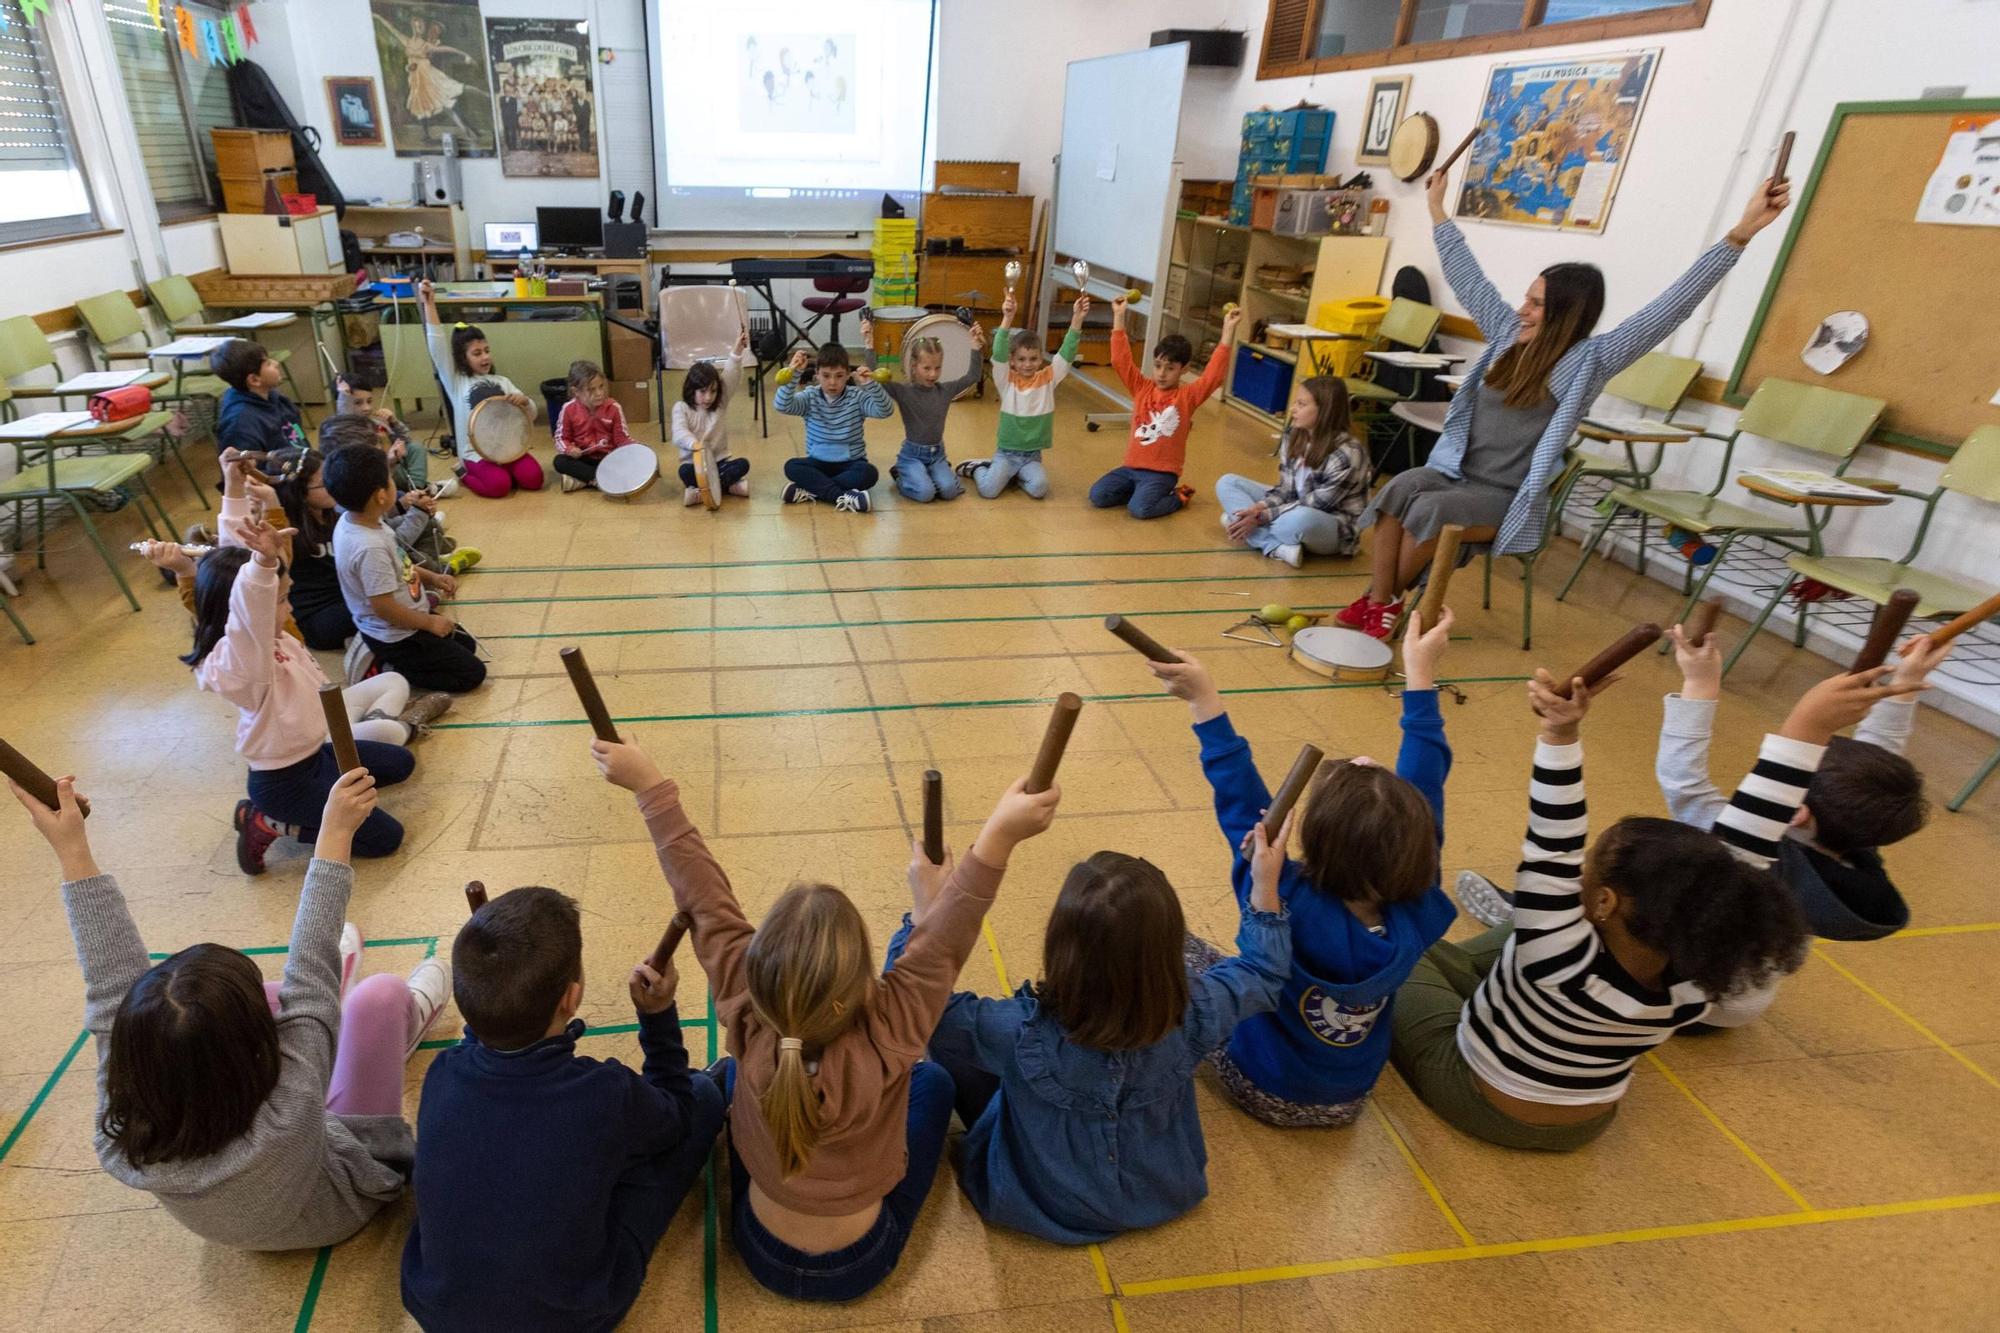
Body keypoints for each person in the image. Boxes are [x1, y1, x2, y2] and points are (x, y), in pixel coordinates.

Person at [593, 736, 1060, 1302]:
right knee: (931, 1079)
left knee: (740, 1076)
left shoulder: (742, 1006)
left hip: (754, 1244)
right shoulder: (893, 1029)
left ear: (756, 976)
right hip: (862, 1263)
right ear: (865, 985)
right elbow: (942, 946)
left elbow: (704, 896)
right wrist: (942, 891)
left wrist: (651, 787)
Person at [1389, 665, 1922, 1151]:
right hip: (1586, 1122)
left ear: (1603, 901)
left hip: (1482, 1102)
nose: (1577, 865)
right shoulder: (1713, 961)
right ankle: (1482, 982)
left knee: (1394, 950)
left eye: (1590, 865)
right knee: (1519, 941)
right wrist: (1807, 727)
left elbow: (1553, 837)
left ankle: (1453, 983)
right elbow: (1743, 850)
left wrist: (1560, 733)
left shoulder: (1554, 952)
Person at [1340, 169, 1793, 640]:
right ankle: (1381, 601)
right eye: (1527, 298)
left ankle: (1383, 606)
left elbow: (1670, 308)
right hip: (1455, 473)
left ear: (1565, 313)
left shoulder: (1587, 362)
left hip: (1504, 495)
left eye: (1536, 303)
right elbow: (1466, 275)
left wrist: (1740, 235)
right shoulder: (1506, 335)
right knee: (1401, 488)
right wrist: (1436, 208)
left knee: (1430, 510)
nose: (1523, 308)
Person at [12, 768, 449, 1249]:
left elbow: (109, 985)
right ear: (257, 1050)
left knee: (263, 1002)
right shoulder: (291, 1102)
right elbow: (311, 970)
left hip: (251, 1208)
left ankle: (331, 1024)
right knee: (380, 997)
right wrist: (336, 829)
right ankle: (374, 1026)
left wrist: (71, 848)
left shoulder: (119, 1126)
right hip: (337, 1206)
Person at [912, 825, 1289, 1243]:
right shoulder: (1198, 1008)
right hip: (1162, 1194)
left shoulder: (1020, 1031)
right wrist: (1264, 881)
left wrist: (928, 913)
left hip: (1039, 1205)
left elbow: (918, 1009)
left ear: (1061, 947)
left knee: (952, 1050)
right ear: (1168, 949)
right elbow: (1264, 971)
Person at [1155, 611, 1454, 1128]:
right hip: (1348, 1097)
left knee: (1163, 943)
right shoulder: (1420, 898)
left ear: (1313, 843)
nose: (1363, 758)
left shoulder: (1282, 893)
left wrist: (1204, 701)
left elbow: (1240, 798)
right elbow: (1426, 779)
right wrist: (1419, 674)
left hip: (1260, 1083)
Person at [400, 888, 725, 1331]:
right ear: (571, 998)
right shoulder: (605, 1092)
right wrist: (658, 1016)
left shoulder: (441, 1072)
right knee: (701, 1097)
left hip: (438, 1311)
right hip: (573, 1319)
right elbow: (675, 1118)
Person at [174, 473, 444, 873]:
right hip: (285, 781)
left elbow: (232, 558)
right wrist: (264, 565)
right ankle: (266, 821)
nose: (289, 604)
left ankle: (323, 802)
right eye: (281, 598)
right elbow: (248, 602)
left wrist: (233, 490)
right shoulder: (245, 660)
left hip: (316, 753)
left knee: (398, 764)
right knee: (385, 839)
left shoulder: (268, 636)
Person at [1644, 626, 1941, 942]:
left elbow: (1684, 782)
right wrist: (1906, 683)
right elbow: (1877, 757)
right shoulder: (1852, 845)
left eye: (1799, 765)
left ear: (1796, 812)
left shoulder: (1741, 846)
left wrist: (1698, 685)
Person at [325, 444, 486, 694]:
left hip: (405, 623)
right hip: (397, 637)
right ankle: (389, 669)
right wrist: (428, 623)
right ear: (380, 496)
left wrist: (433, 577)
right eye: (390, 479)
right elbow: (384, 608)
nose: (393, 483)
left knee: (467, 646)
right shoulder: (369, 547)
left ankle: (393, 657)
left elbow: (401, 564)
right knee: (473, 674)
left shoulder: (360, 519)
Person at [1088, 298, 1238, 519]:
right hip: (1131, 468)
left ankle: (1178, 496)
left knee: (1139, 510)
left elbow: (1213, 376)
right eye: (1158, 366)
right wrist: (1119, 317)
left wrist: (1228, 330)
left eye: (1170, 368)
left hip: (1161, 474)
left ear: (1184, 369)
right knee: (1097, 496)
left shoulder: (1187, 396)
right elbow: (1121, 361)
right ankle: (1139, 492)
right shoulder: (1141, 388)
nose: (1161, 373)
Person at [1215, 376, 1371, 567]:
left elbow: (1316, 505)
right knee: (1227, 482)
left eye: (1301, 404)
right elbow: (1286, 491)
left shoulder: (1348, 453)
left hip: (1333, 526)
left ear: (1325, 411)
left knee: (1292, 521)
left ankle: (1237, 524)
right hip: (1294, 505)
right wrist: (1259, 507)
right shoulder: (1294, 435)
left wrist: (1261, 516)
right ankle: (1276, 547)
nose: (1292, 409)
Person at [418, 279, 544, 499]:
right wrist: (429, 304)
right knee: (499, 487)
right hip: (475, 453)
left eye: (487, 350)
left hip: (509, 448)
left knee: (534, 480)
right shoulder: (456, 381)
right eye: (477, 353)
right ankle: (463, 473)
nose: (485, 357)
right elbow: (436, 345)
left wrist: (524, 401)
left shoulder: (502, 380)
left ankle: (501, 470)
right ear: (462, 358)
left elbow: (530, 414)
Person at [956, 294, 1087, 501]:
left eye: (1033, 359)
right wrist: (1008, 317)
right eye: (1022, 359)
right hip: (1006, 454)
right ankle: (980, 468)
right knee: (988, 491)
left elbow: (1066, 354)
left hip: (1032, 456)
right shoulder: (1006, 381)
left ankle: (1011, 476)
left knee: (1040, 488)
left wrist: (1077, 319)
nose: (1028, 364)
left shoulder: (1048, 378)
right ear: (1013, 361)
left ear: (1041, 358)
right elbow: (998, 353)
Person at [319, 415, 474, 579]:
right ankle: (440, 570)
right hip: (392, 561)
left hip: (389, 540)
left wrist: (404, 506)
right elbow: (396, 546)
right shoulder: (354, 516)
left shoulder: (354, 492)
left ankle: (435, 559)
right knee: (414, 555)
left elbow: (385, 524)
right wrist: (417, 512)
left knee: (426, 522)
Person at [858, 318, 986, 503]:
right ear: (914, 366)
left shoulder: (945, 390)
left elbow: (972, 376)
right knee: (926, 494)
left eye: (937, 368)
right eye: (926, 368)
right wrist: (869, 342)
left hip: (937, 455)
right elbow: (877, 376)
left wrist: (975, 347)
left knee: (949, 492)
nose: (933, 374)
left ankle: (929, 475)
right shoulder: (904, 391)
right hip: (912, 455)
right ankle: (901, 475)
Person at [774, 342, 893, 512]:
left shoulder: (857, 397)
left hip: (851, 463)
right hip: (817, 462)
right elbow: (782, 405)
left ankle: (812, 489)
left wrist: (870, 385)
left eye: (839, 376)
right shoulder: (810, 396)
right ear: (816, 374)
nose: (832, 382)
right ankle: (843, 497)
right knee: (792, 466)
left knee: (869, 473)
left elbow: (885, 411)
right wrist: (794, 373)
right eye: (826, 375)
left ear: (847, 375)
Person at [670, 333, 757, 506]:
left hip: (719, 463)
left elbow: (731, 375)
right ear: (691, 389)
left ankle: (700, 493)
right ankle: (728, 487)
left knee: (742, 465)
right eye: (702, 392)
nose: (708, 397)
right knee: (685, 472)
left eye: (713, 391)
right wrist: (695, 445)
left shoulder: (720, 404)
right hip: (694, 464)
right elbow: (679, 433)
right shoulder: (681, 408)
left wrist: (737, 350)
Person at [337, 368, 439, 492]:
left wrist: (394, 422)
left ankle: (417, 488)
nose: (366, 408)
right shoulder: (342, 429)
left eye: (369, 401)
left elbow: (406, 440)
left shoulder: (376, 421)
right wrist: (389, 460)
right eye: (358, 403)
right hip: (376, 475)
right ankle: (421, 491)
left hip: (394, 467)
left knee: (416, 448)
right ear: (343, 403)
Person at [553, 358, 637, 493]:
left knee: (633, 459)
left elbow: (622, 438)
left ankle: (583, 481)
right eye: (591, 390)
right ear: (576, 392)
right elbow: (561, 438)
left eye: (601, 386)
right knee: (560, 461)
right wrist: (569, 449)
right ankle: (600, 479)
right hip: (583, 459)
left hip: (608, 458)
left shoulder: (614, 408)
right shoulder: (568, 409)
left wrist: (635, 448)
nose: (599, 393)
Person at [213, 339, 307, 460]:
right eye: (268, 364)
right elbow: (249, 473)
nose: (276, 363)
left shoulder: (275, 398)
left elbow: (298, 438)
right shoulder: (240, 425)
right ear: (254, 380)